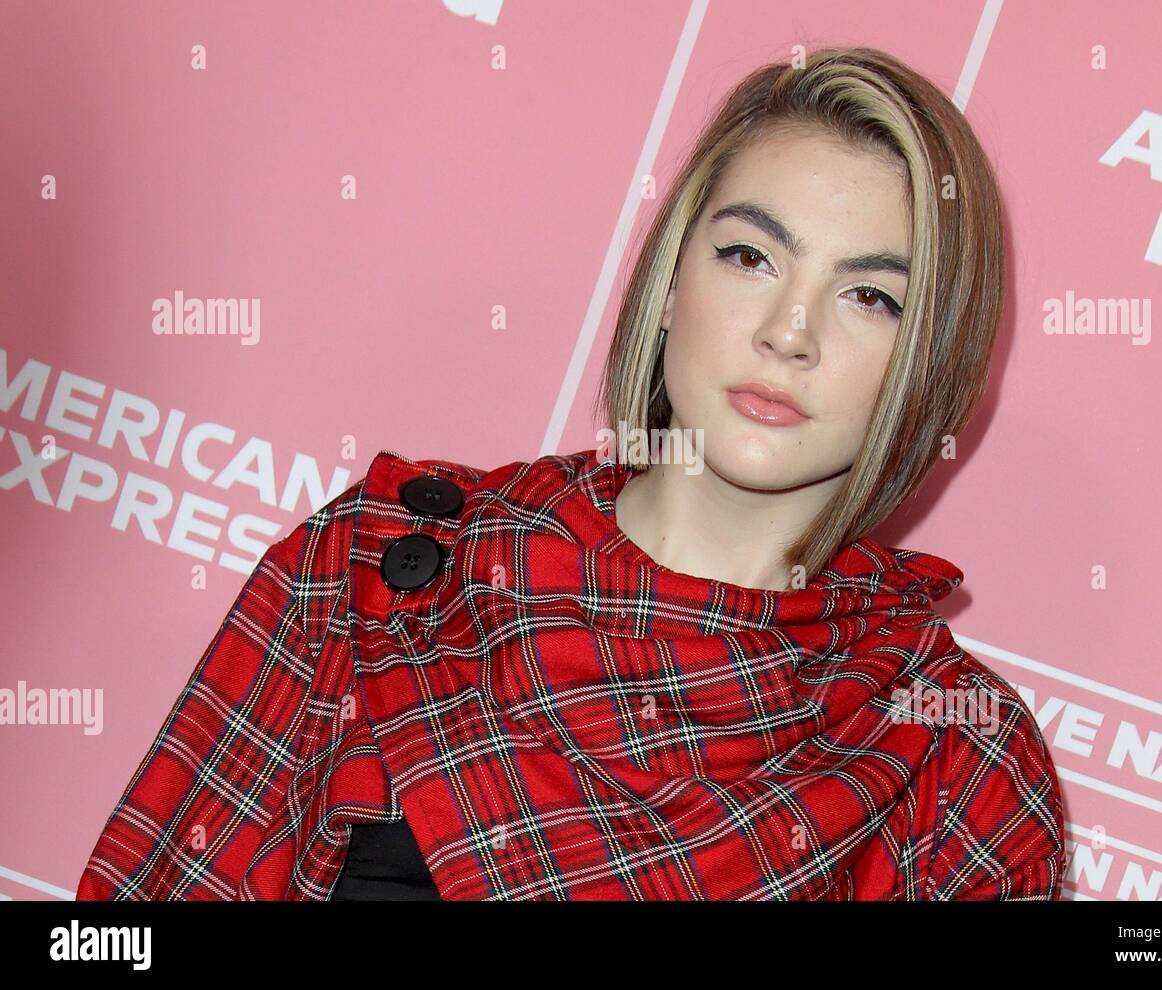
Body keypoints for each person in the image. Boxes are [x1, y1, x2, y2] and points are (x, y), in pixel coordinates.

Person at [76, 46, 1065, 901]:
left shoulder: (948, 754)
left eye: (869, 298)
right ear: (673, 283)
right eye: (749, 256)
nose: (787, 333)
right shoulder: (388, 565)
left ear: (929, 357)